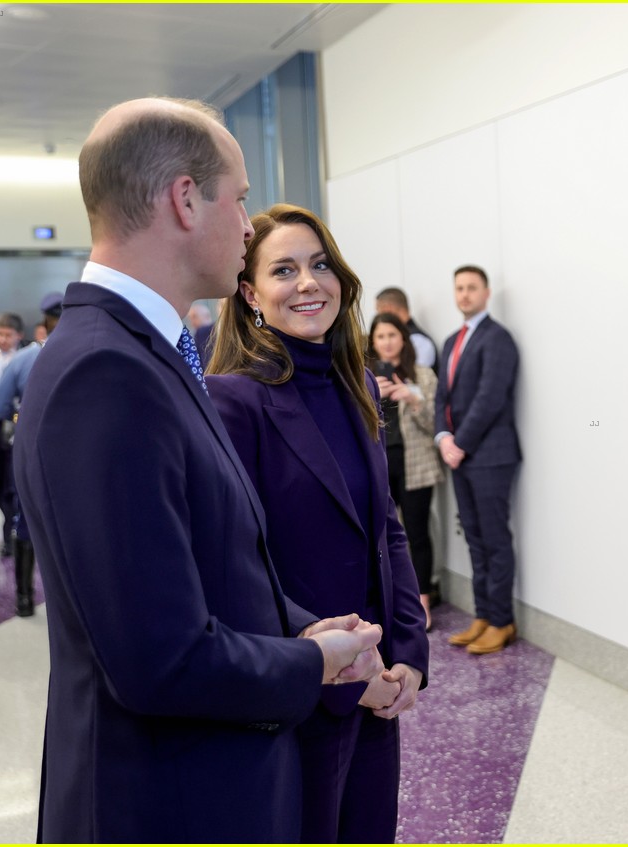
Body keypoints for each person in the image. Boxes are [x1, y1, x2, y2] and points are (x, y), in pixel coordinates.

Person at [10, 97, 384, 843]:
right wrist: (310, 663)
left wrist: (306, 624)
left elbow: (211, 567)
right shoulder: (103, 372)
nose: (248, 226)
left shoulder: (145, 354)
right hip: (164, 802)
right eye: (240, 199)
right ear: (186, 199)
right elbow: (161, 659)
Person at [207, 203, 429, 842]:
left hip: (378, 682)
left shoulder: (355, 380)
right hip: (300, 691)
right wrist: (342, 673)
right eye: (283, 270)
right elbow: (239, 566)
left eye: (320, 264)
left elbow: (385, 526)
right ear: (250, 292)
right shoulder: (233, 398)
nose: (307, 283)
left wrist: (407, 657)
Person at [435, 265, 522, 655]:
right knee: (473, 538)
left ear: (487, 293)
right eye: (459, 288)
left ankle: (502, 622)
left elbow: (490, 398)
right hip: (461, 455)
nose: (465, 294)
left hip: (491, 456)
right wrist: (442, 437)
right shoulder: (452, 340)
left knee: (494, 540)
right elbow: (442, 396)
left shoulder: (498, 339)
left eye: (472, 288)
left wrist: (460, 444)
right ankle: (484, 615)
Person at [368, 312, 444, 631]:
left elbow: (435, 423)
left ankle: (423, 602)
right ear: (373, 342)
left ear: (403, 339)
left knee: (417, 534)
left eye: (393, 335)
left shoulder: (423, 374)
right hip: (378, 467)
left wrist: (412, 399)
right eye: (381, 336)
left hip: (416, 466)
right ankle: (390, 601)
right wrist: (375, 397)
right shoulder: (364, 377)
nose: (387, 342)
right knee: (382, 537)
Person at [0, 294, 63, 617]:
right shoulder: (94, 350)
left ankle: (23, 599)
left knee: (26, 522)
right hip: (77, 459)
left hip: (31, 451)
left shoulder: (24, 360)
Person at [0, 311, 24, 556]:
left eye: (8, 335)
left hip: (10, 434)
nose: (2, 339)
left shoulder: (25, 359)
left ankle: (10, 534)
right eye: (0, 333)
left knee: (10, 488)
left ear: (19, 336)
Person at [376, 286, 437, 370]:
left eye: (379, 312)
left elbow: (417, 378)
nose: (386, 342)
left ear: (388, 308)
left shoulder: (419, 342)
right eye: (381, 337)